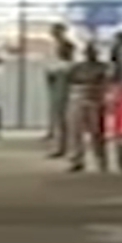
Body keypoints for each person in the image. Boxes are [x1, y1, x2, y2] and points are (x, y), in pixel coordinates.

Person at [64, 41, 113, 173]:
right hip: (78, 99)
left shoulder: (103, 67)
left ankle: (101, 160)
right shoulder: (77, 67)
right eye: (88, 51)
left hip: (95, 101)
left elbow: (107, 81)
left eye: (93, 51)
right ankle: (76, 160)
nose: (90, 54)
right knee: (75, 131)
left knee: (96, 132)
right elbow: (70, 80)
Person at [45, 22, 77, 157]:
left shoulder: (67, 45)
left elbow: (66, 63)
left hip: (61, 77)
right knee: (57, 113)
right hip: (54, 76)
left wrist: (56, 72)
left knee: (61, 113)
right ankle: (60, 144)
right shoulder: (54, 45)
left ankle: (63, 146)